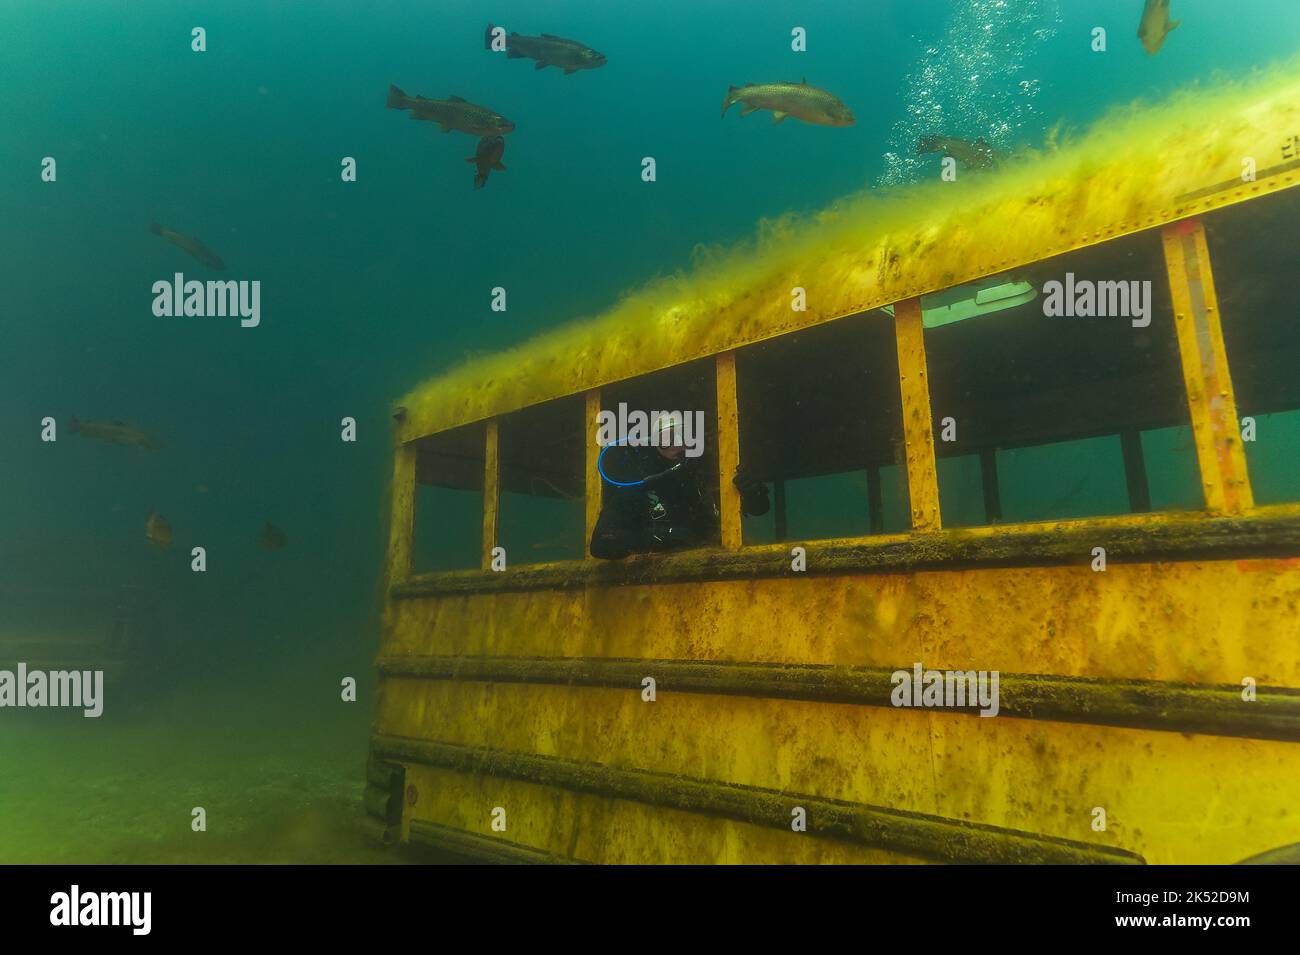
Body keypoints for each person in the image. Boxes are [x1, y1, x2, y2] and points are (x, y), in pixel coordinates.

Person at [589, 412, 769, 560]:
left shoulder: (709, 475)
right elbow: (600, 544)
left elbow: (759, 509)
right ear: (654, 444)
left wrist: (754, 492)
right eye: (666, 439)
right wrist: (658, 536)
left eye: (681, 436)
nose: (676, 446)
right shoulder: (639, 486)